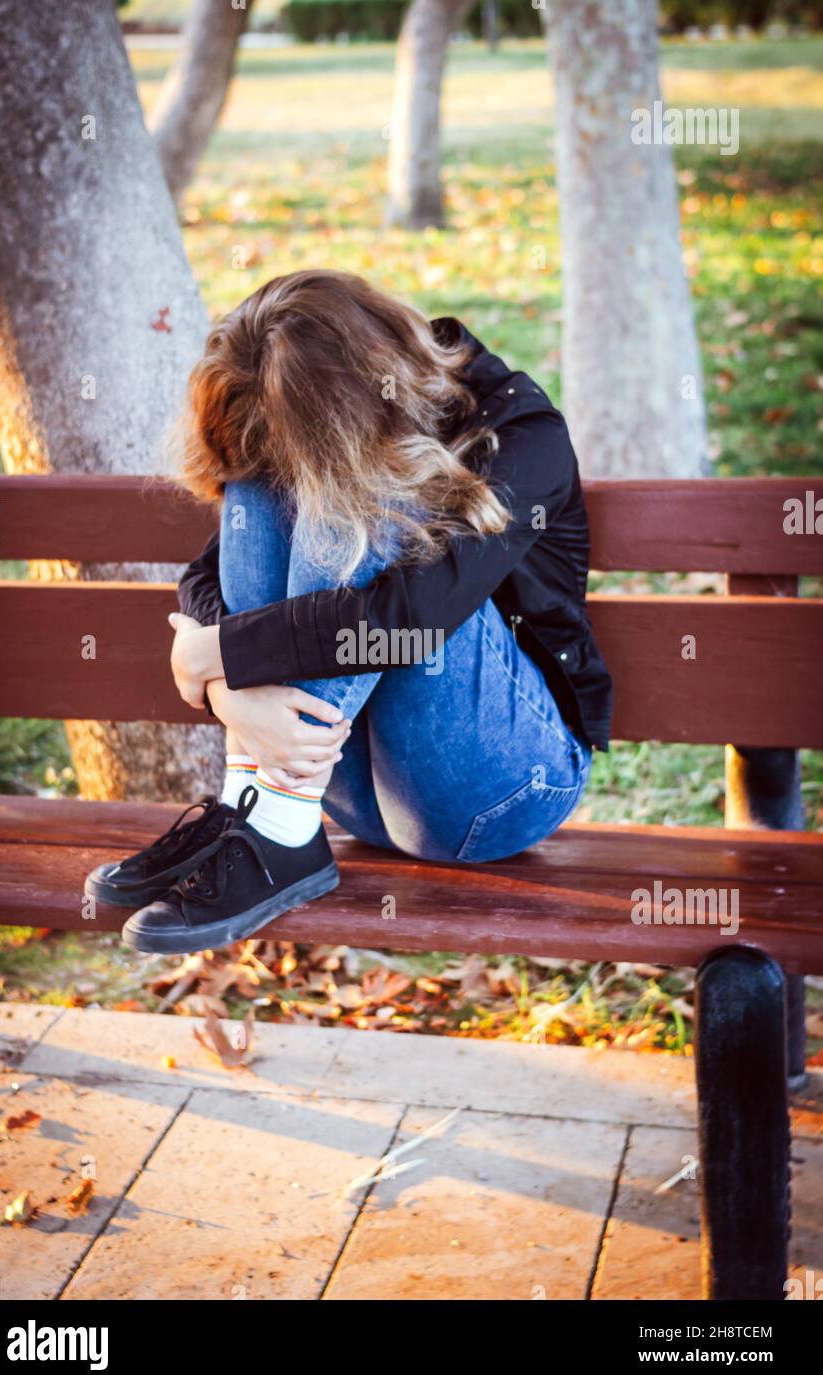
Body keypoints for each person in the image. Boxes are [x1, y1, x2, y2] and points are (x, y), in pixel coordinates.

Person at [85, 269, 612, 955]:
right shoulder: (320, 408)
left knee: (374, 494)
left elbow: (410, 622)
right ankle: (258, 813)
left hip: (501, 792)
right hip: (345, 793)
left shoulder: (521, 429)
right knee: (258, 482)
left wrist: (213, 656)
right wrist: (228, 694)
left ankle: (271, 824)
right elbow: (203, 575)